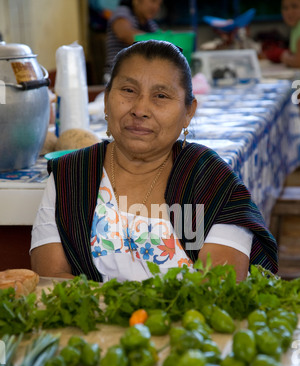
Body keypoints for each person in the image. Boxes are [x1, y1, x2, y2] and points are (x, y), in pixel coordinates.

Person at [30, 40, 278, 284]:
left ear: (188, 112)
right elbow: (52, 280)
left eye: (161, 95)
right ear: (106, 101)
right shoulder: (71, 175)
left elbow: (218, 287)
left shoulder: (210, 181)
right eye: (128, 90)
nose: (140, 109)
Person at [104, 0, 162, 80]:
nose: (156, 7)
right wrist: (157, 41)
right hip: (116, 76)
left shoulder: (151, 25)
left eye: (159, 4)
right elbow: (123, 33)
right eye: (153, 1)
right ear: (136, 1)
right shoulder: (123, 12)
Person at [280, 0, 300, 67]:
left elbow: (298, 62)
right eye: (285, 8)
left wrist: (284, 57)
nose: (289, 12)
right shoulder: (295, 28)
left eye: (294, 6)